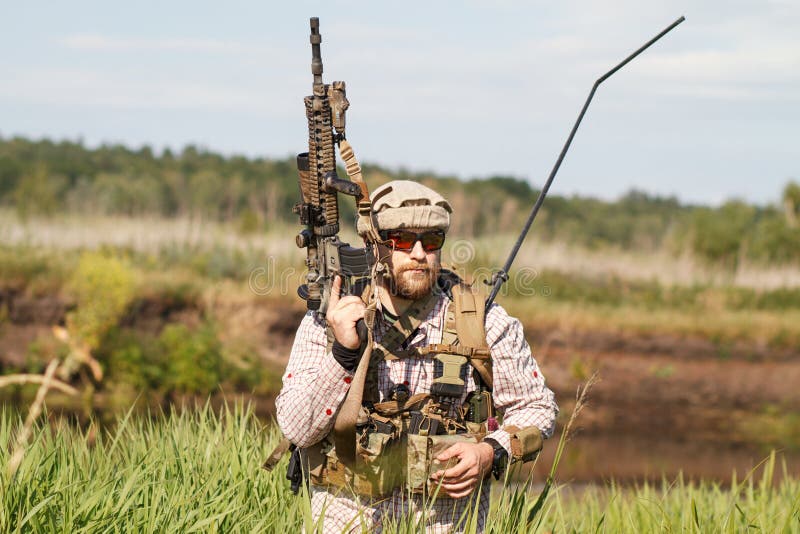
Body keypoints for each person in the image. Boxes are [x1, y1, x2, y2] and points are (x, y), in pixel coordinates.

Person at [276, 180, 558, 533]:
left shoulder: (483, 322)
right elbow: (297, 429)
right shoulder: (330, 318)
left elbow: (538, 407)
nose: (420, 253)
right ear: (374, 246)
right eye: (404, 240)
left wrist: (489, 452)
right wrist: (343, 354)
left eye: (432, 240)